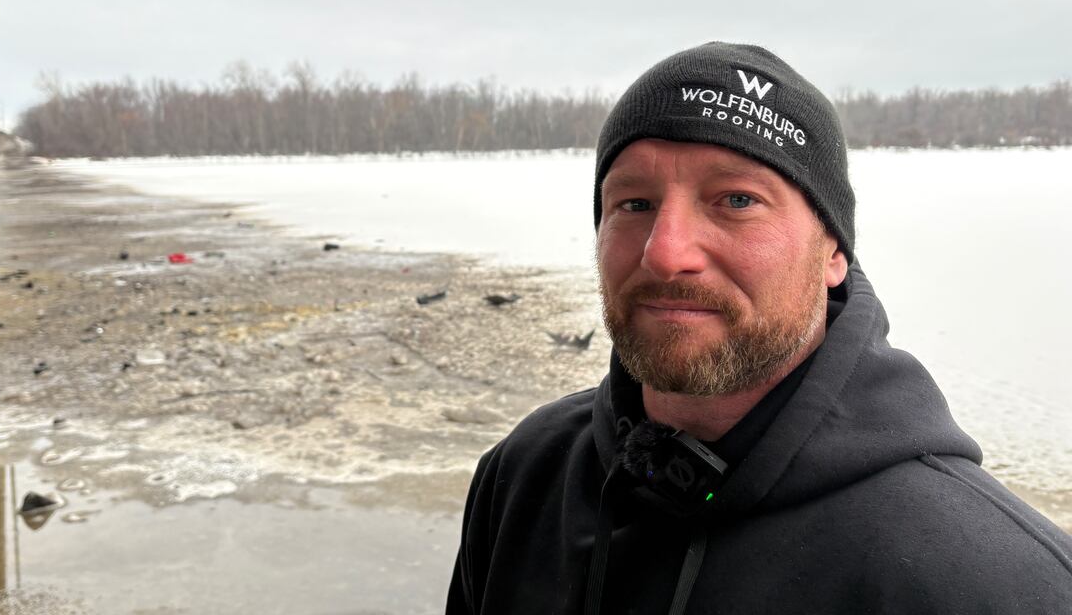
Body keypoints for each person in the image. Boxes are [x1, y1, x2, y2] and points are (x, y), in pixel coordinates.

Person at [446, 42, 1072, 614]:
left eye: (736, 200)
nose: (665, 252)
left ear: (833, 252)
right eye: (633, 204)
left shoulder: (993, 581)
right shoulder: (526, 478)